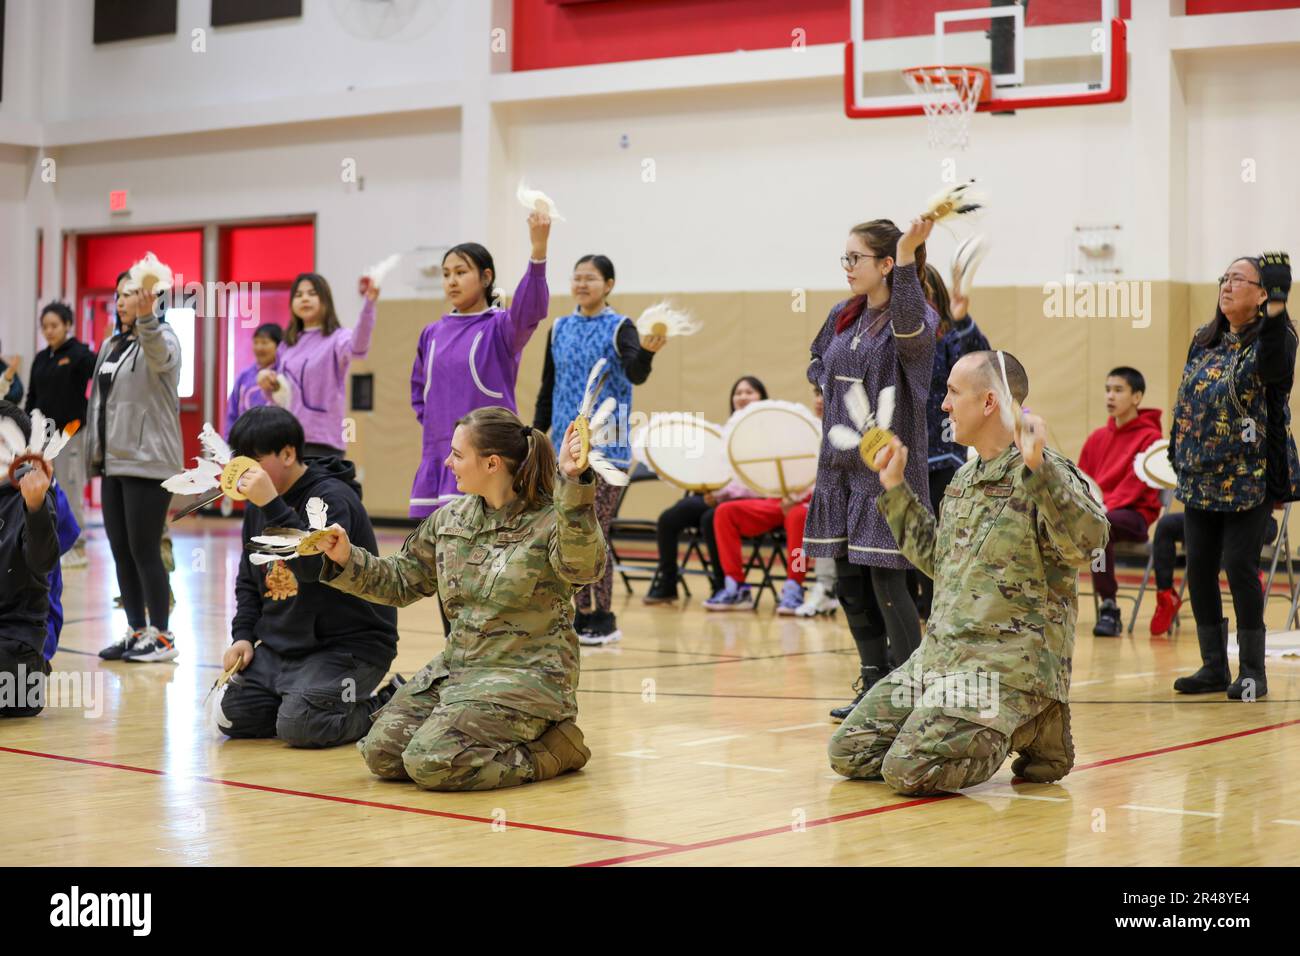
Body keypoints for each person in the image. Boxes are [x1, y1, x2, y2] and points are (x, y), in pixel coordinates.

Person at [828, 351, 1109, 794]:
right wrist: (895, 488)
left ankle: (1033, 721)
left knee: (908, 770)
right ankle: (985, 723)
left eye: (953, 393)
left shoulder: (1041, 469)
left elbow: (1087, 545)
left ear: (989, 402)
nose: (943, 404)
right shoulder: (964, 478)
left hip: (1004, 670)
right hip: (940, 662)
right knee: (850, 751)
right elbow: (939, 563)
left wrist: (1042, 469)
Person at [315, 406, 604, 790]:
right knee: (382, 753)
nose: (447, 462)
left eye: (457, 454)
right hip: (460, 671)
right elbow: (401, 581)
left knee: (431, 762)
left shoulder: (553, 518)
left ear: (492, 464)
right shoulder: (451, 519)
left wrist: (572, 483)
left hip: (527, 678)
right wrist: (346, 558)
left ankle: (552, 751)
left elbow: (584, 568)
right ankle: (479, 729)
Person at [805, 216, 937, 722]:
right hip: (839, 469)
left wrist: (907, 256)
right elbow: (818, 357)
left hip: (887, 474)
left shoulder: (915, 319)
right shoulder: (844, 314)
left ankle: (908, 689)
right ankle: (875, 682)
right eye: (845, 257)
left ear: (885, 265)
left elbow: (906, 324)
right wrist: (827, 388)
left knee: (887, 584)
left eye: (855, 258)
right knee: (850, 583)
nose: (847, 267)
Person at [216, 406, 401, 747]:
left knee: (301, 725)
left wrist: (272, 504)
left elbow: (314, 569)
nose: (245, 472)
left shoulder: (331, 499)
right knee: (232, 715)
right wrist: (242, 636)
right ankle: (302, 697)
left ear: (287, 454)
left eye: (253, 460)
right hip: (286, 647)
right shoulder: (259, 505)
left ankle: (391, 702)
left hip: (348, 645)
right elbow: (248, 580)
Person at [1170, 252, 1295, 700]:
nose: (1226, 285)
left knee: (1239, 566)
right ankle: (1212, 666)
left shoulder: (1275, 339)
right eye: (1224, 277)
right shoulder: (1205, 339)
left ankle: (1252, 672)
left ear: (1262, 294)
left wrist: (1279, 311)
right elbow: (1186, 399)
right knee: (1200, 568)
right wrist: (1176, 450)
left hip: (1250, 476)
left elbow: (1275, 367)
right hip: (1199, 474)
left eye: (1239, 280)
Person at [533, 254, 662, 644]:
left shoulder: (620, 327)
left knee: (595, 530)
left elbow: (636, 372)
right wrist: (535, 437)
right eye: (576, 278)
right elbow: (547, 388)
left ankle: (603, 617)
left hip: (609, 450)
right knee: (568, 531)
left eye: (590, 278)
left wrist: (649, 352)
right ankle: (578, 614)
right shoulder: (558, 328)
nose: (582, 284)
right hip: (565, 449)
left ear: (608, 284)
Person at [409, 212, 552, 518]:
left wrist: (538, 251)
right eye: (446, 274)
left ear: (486, 278)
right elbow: (419, 394)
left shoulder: (501, 328)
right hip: (439, 456)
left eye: (461, 272)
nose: (451, 281)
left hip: (487, 461)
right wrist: (441, 432)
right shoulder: (430, 334)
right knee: (434, 559)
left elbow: (531, 310)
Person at [90, 270, 183, 663]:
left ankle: (162, 635)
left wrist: (148, 319)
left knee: (145, 548)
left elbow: (159, 355)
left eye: (131, 293)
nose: (122, 300)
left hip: (149, 460)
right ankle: (137, 629)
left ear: (151, 298)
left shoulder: (165, 339)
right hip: (113, 461)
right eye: (119, 294)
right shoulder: (111, 343)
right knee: (121, 550)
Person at [908, 263, 989, 619]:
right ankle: (908, 621)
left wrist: (961, 319)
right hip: (902, 462)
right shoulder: (893, 338)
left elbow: (983, 362)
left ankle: (944, 612)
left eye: (921, 293)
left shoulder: (948, 336)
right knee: (905, 543)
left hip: (943, 459)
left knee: (944, 543)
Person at [642, 376, 767, 604]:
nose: (742, 397)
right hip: (717, 496)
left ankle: (723, 584)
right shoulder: (725, 432)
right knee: (669, 518)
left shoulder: (767, 434)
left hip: (746, 500)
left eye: (749, 392)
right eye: (738, 392)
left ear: (762, 397)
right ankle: (668, 582)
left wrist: (720, 495)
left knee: (711, 518)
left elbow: (757, 480)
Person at [704, 385, 823, 615]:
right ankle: (736, 586)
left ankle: (795, 586)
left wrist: (801, 496)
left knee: (799, 517)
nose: (820, 400)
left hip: (808, 504)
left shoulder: (838, 432)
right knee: (724, 512)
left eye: (825, 395)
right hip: (776, 500)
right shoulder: (794, 428)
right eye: (817, 394)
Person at [1077, 366, 1164, 636]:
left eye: (1118, 390)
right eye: (1107, 390)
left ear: (1136, 397)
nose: (1110, 396)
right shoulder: (1097, 438)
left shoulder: (1151, 439)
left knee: (1101, 524)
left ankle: (1109, 606)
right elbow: (1082, 481)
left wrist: (1101, 508)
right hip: (1099, 514)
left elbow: (1135, 487)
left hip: (1132, 516)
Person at [260, 273, 377, 459]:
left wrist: (368, 306)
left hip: (323, 443)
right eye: (298, 295)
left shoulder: (338, 338)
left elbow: (358, 348)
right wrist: (268, 384)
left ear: (325, 300)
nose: (304, 298)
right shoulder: (287, 344)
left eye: (312, 293)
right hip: (286, 440)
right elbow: (281, 395)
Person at [25, 302, 97, 567]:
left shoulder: (79, 354)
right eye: (45, 327)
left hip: (70, 434)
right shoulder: (41, 359)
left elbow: (101, 374)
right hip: (42, 436)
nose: (49, 331)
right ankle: (53, 542)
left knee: (70, 484)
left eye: (54, 326)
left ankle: (76, 546)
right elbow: (32, 397)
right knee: (47, 487)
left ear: (67, 325)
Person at [0, 403, 58, 718]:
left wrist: (35, 508)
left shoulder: (34, 497)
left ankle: (28, 683)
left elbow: (42, 562)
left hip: (14, 642)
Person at [225, 322, 283, 436]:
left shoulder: (283, 375)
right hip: (245, 439)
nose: (259, 347)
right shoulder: (244, 376)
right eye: (256, 342)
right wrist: (229, 440)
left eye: (265, 343)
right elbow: (232, 413)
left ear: (279, 346)